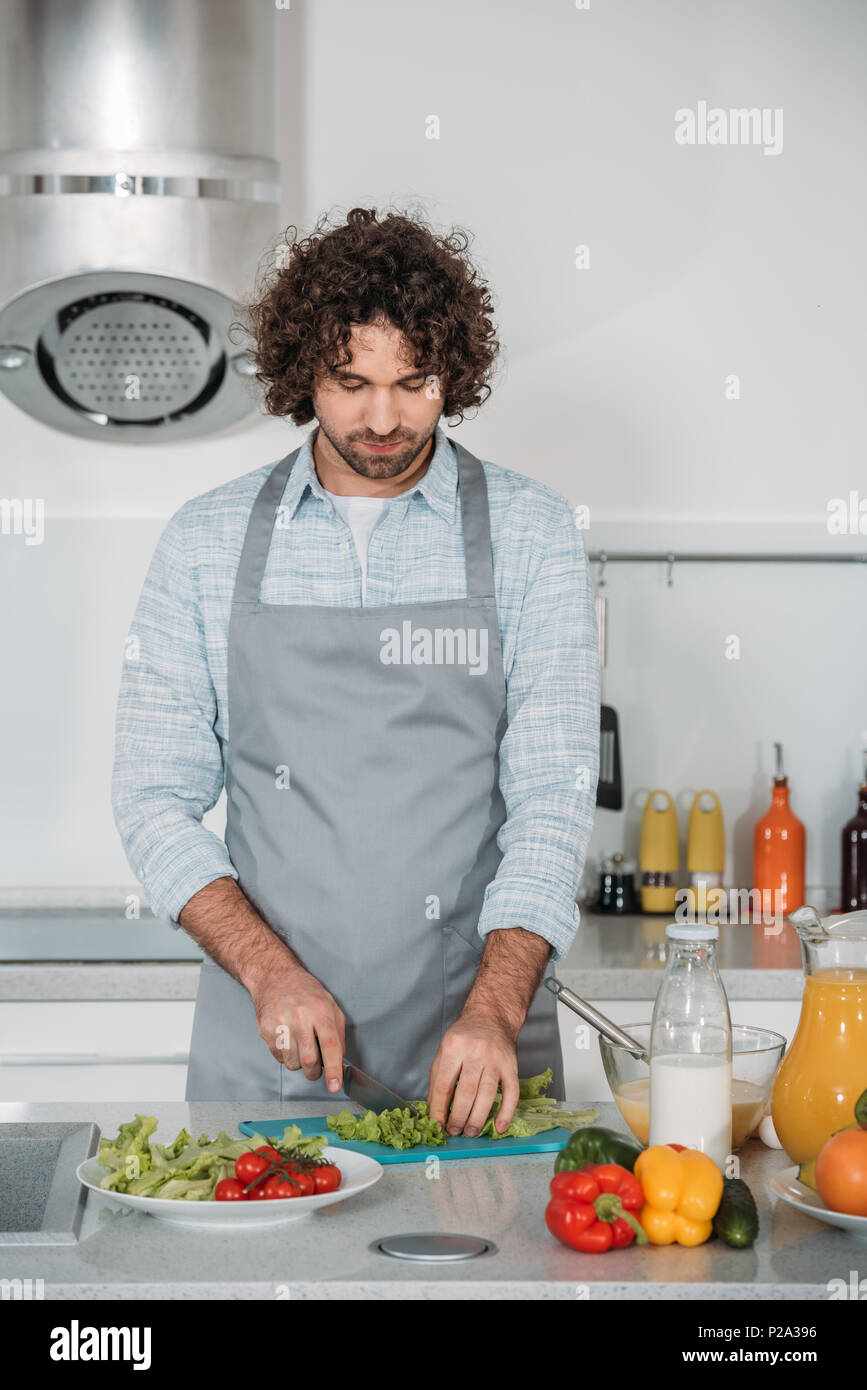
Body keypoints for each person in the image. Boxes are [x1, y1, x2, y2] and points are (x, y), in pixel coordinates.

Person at [112, 206, 599, 1136]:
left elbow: (552, 795)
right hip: (270, 1051)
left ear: (452, 372)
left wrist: (494, 1009)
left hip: (479, 1049)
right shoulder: (206, 542)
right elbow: (152, 797)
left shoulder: (533, 534)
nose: (384, 420)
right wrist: (268, 971)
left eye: (414, 383)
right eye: (351, 383)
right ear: (305, 375)